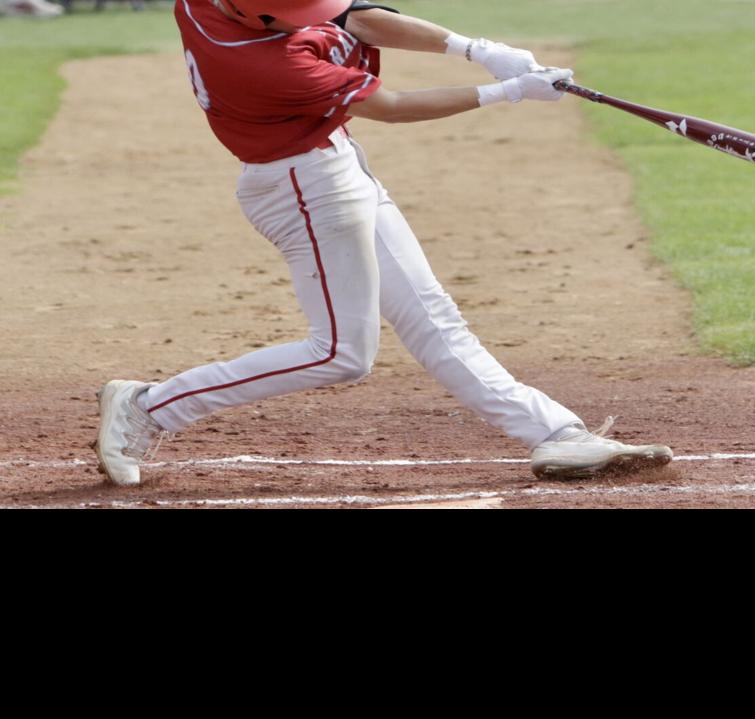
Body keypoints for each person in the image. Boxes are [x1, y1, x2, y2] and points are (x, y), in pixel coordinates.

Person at [95, 0, 673, 486]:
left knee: (432, 315)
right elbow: (390, 108)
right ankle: (150, 406)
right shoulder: (274, 66)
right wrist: (509, 92)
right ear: (265, 18)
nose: (315, 17)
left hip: (332, 164)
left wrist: (478, 47)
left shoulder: (209, 4)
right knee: (340, 354)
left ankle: (552, 433)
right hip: (301, 186)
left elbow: (359, 18)